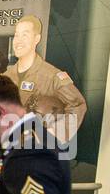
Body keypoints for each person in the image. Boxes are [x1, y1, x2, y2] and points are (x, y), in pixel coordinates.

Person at [5, 15, 86, 152]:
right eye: (16, 35)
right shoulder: (6, 76)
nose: (18, 41)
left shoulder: (51, 76)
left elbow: (78, 105)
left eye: (25, 35)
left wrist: (54, 132)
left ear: (37, 39)